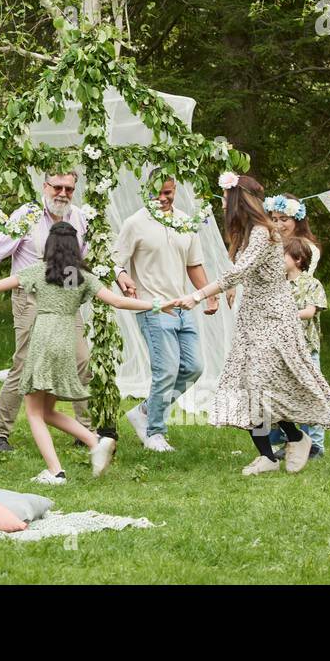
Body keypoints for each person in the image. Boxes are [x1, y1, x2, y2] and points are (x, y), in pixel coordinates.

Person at [171, 174, 330, 476]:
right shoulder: (247, 233)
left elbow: (237, 272)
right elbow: (241, 273)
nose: (222, 203)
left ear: (238, 199)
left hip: (274, 318)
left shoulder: (264, 232)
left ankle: (296, 437)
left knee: (263, 382)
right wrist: (228, 289)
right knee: (248, 386)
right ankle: (268, 455)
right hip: (252, 317)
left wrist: (198, 295)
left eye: (225, 197)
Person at [0, 222, 159, 484]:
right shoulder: (77, 276)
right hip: (67, 340)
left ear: (50, 246)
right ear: (76, 249)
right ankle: (95, 442)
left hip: (43, 338)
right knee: (48, 410)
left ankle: (55, 472)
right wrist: (157, 304)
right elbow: (118, 301)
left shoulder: (39, 271)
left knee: (34, 412)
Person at [0, 170, 93, 453]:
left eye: (69, 189)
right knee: (24, 363)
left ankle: (86, 431)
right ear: (45, 186)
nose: (63, 194)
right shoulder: (27, 216)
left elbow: (78, 260)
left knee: (81, 360)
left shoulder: (79, 218)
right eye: (57, 187)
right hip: (30, 297)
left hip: (64, 301)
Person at [113, 174, 220, 452]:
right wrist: (122, 275)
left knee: (194, 368)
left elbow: (193, 265)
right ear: (146, 192)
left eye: (168, 193)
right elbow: (114, 260)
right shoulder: (135, 223)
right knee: (167, 370)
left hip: (183, 307)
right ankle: (154, 433)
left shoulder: (185, 222)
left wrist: (210, 294)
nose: (162, 199)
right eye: (157, 193)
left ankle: (146, 411)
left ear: (175, 192)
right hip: (153, 308)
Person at [268, 238, 328, 459]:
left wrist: (285, 314)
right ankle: (290, 441)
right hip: (282, 350)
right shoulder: (277, 285)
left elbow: (309, 312)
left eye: (282, 256)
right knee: (284, 395)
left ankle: (317, 446)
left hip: (306, 350)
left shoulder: (312, 284)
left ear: (298, 259)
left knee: (312, 393)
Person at [264, 193, 321, 273]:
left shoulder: (307, 247)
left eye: (284, 219)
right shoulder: (271, 242)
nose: (278, 225)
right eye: (275, 220)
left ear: (297, 221)